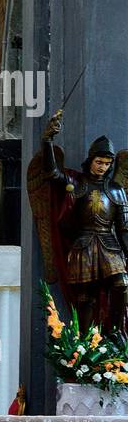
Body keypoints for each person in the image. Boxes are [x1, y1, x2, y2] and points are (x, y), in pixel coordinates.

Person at [29, 113, 128, 333]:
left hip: (109, 242)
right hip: (83, 242)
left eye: (107, 163)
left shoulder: (116, 189)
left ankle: (115, 332)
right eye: (99, 162)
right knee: (86, 296)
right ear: (91, 160)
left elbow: (124, 227)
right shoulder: (77, 181)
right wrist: (47, 140)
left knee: (121, 283)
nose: (102, 167)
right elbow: (51, 173)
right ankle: (85, 340)